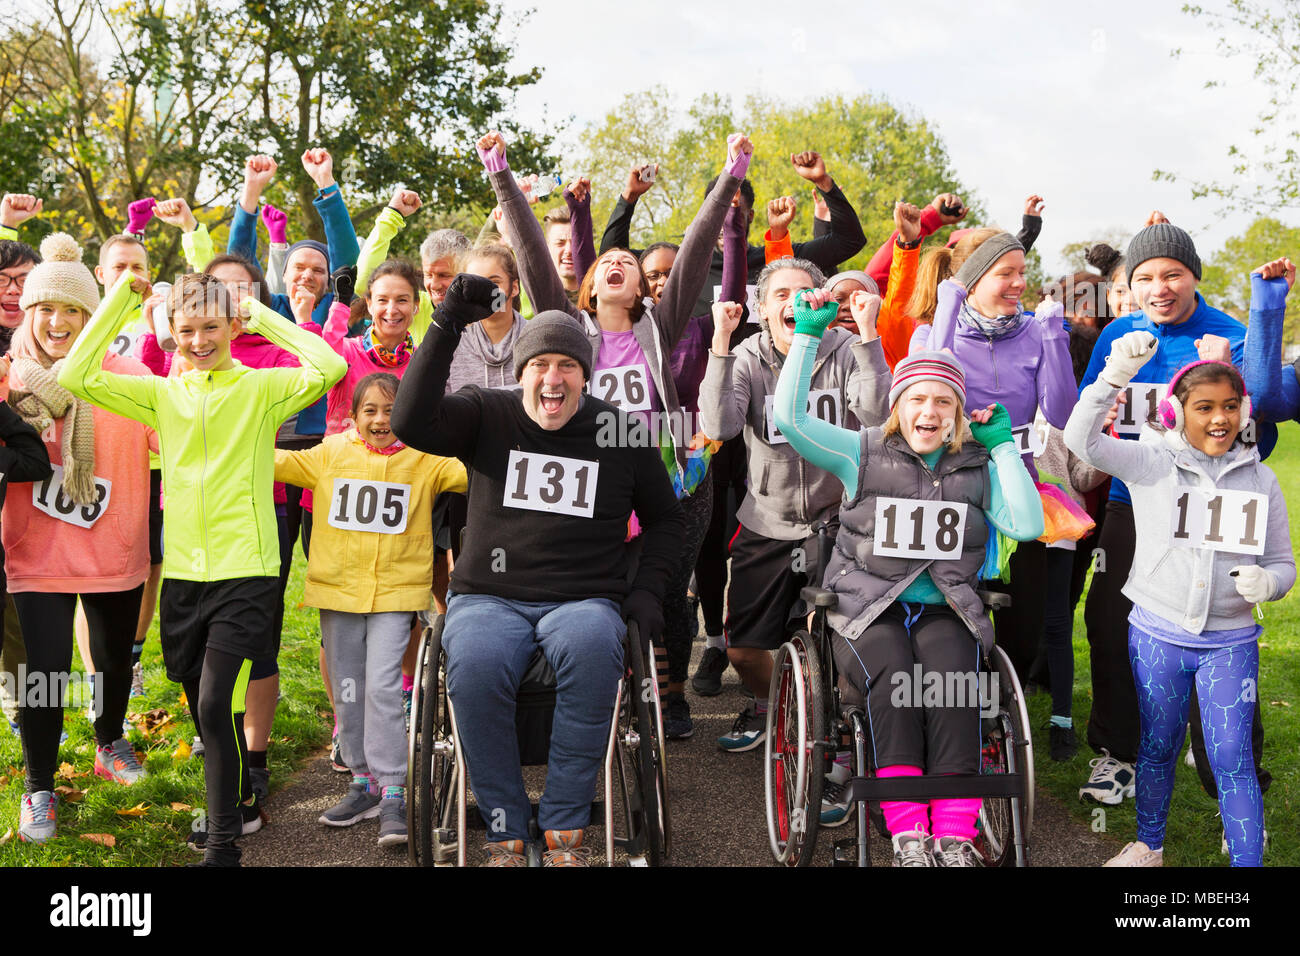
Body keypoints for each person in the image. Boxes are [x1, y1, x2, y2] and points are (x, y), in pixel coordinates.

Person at [392, 275, 685, 867]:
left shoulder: (621, 429)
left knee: (592, 650)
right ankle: (503, 825)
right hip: (489, 597)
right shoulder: (486, 412)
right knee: (470, 664)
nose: (553, 380)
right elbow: (409, 422)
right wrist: (447, 322)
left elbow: (666, 522)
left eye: (567, 367)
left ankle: (564, 827)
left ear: (586, 373)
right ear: (522, 371)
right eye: (541, 366)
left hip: (583, 598)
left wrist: (649, 592)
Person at [58, 270, 346, 866]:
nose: (198, 339)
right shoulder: (160, 395)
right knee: (200, 700)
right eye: (185, 329)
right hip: (186, 577)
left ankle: (222, 845)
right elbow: (75, 375)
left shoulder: (262, 389)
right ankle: (238, 794)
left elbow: (328, 368)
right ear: (171, 334)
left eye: (211, 326)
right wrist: (122, 302)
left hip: (249, 568)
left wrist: (260, 312)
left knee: (215, 704)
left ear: (231, 327)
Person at [482, 130, 752, 741]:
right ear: (591, 281)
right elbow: (530, 252)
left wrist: (729, 177)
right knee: (599, 595)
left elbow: (696, 247)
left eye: (627, 264)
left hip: (660, 481)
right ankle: (601, 692)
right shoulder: (567, 325)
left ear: (641, 289)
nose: (616, 264)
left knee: (659, 593)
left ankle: (666, 692)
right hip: (589, 484)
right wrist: (499, 172)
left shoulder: (662, 328)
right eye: (607, 260)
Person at [774, 295, 1044, 865]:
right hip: (866, 608)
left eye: (944, 402)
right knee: (894, 673)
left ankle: (951, 832)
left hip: (947, 606)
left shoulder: (975, 464)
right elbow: (790, 422)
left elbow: (1028, 522)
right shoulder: (862, 452)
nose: (930, 410)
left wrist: (1003, 450)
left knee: (952, 678)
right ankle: (907, 833)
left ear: (958, 413)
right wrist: (806, 337)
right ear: (899, 406)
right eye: (917, 398)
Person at [1065, 334, 1293, 867]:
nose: (1220, 419)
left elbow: (1283, 562)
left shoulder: (1262, 480)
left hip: (1230, 642)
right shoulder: (1151, 463)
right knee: (1159, 746)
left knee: (1233, 757)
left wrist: (1272, 584)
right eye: (1205, 407)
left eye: (1231, 407)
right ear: (1176, 412)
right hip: (1156, 635)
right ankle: (1149, 846)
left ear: (1245, 411)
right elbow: (1081, 440)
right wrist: (1114, 373)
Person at [1073, 217, 1275, 806]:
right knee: (1109, 624)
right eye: (1145, 277)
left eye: (1173, 274)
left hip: (1212, 506)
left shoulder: (1229, 335)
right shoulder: (1119, 335)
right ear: (1129, 284)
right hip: (1132, 502)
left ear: (1194, 277)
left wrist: (1235, 372)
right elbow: (1088, 416)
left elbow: (1257, 438)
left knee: (1219, 629)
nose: (1159, 287)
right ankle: (1117, 756)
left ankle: (1228, 765)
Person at [3, 234, 157, 844]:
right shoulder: (9, 379)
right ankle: (39, 784)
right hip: (36, 551)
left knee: (116, 658)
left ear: (93, 316)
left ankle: (109, 740)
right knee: (43, 670)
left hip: (113, 547)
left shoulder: (126, 377)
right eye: (46, 308)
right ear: (29, 311)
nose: (59, 322)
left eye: (73, 310)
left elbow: (177, 441)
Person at [698, 256, 887, 752]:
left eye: (803, 292)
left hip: (839, 520)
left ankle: (834, 728)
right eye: (780, 295)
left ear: (822, 301)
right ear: (762, 310)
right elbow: (718, 427)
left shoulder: (845, 349)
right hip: (768, 518)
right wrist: (720, 344)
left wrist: (868, 336)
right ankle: (770, 706)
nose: (793, 302)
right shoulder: (746, 356)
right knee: (741, 649)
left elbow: (876, 417)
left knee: (831, 639)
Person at [274, 372, 466, 847]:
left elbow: (476, 467)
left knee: (382, 684)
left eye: (391, 411)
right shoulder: (330, 453)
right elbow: (274, 461)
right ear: (353, 416)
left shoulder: (426, 459)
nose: (381, 420)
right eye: (370, 411)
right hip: (338, 592)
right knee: (349, 688)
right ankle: (363, 781)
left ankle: (395, 787)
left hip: (396, 594)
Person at [599, 151, 868, 316]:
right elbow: (612, 257)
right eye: (718, 213)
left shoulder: (779, 260)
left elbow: (849, 240)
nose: (726, 223)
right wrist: (629, 198)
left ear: (750, 216)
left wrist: (823, 182)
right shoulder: (679, 265)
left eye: (735, 212)